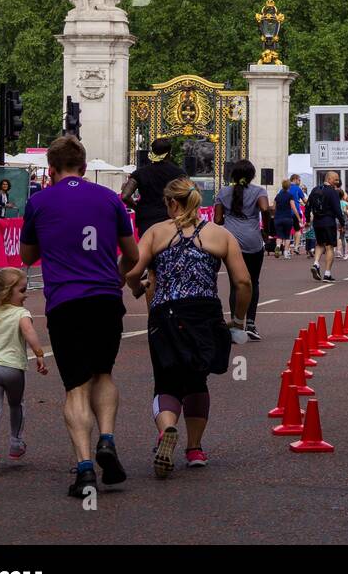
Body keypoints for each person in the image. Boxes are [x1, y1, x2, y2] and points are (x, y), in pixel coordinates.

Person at [19, 134, 139, 499]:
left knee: (75, 387)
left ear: (50, 170)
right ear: (85, 168)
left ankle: (85, 468)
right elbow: (132, 255)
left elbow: (27, 256)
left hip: (65, 301)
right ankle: (107, 438)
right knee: (104, 374)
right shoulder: (109, 199)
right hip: (104, 298)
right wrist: (115, 278)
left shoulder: (38, 202)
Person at [125, 177, 249, 476]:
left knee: (166, 380)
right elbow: (243, 282)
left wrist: (138, 287)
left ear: (171, 202)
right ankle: (194, 449)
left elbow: (133, 270)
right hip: (205, 313)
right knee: (197, 380)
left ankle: (167, 428)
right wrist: (239, 318)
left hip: (166, 312)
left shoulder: (156, 232)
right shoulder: (220, 235)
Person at [0, 268, 48, 477]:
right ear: (7, 293)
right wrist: (39, 354)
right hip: (13, 368)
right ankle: (15, 442)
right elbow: (29, 333)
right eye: (22, 291)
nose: (26, 294)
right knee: (16, 404)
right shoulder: (21, 314)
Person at [214, 159, 274, 341]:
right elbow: (265, 208)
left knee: (235, 283)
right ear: (252, 176)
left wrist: (229, 220)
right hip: (253, 241)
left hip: (231, 242)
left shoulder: (223, 192)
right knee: (252, 282)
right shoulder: (258, 191)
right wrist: (266, 229)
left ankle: (236, 322)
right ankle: (250, 324)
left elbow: (217, 220)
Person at [120, 138, 185, 236]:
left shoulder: (139, 173)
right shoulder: (179, 173)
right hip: (170, 218)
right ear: (169, 153)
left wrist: (138, 208)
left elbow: (125, 196)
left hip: (146, 219)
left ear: (152, 151)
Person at [306, 171, 345, 282]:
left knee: (319, 244)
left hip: (317, 222)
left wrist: (308, 219)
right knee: (329, 247)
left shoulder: (314, 190)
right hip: (328, 221)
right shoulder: (333, 192)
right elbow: (337, 210)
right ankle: (327, 274)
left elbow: (308, 205)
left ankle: (316, 263)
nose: (337, 182)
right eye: (336, 179)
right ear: (329, 179)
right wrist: (342, 223)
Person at [273, 180, 296, 256]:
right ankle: (286, 253)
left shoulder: (278, 196)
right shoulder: (290, 195)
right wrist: (298, 217)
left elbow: (273, 207)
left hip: (278, 218)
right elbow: (293, 207)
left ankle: (278, 246)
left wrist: (274, 215)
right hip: (287, 218)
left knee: (279, 235)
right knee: (287, 236)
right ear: (289, 186)